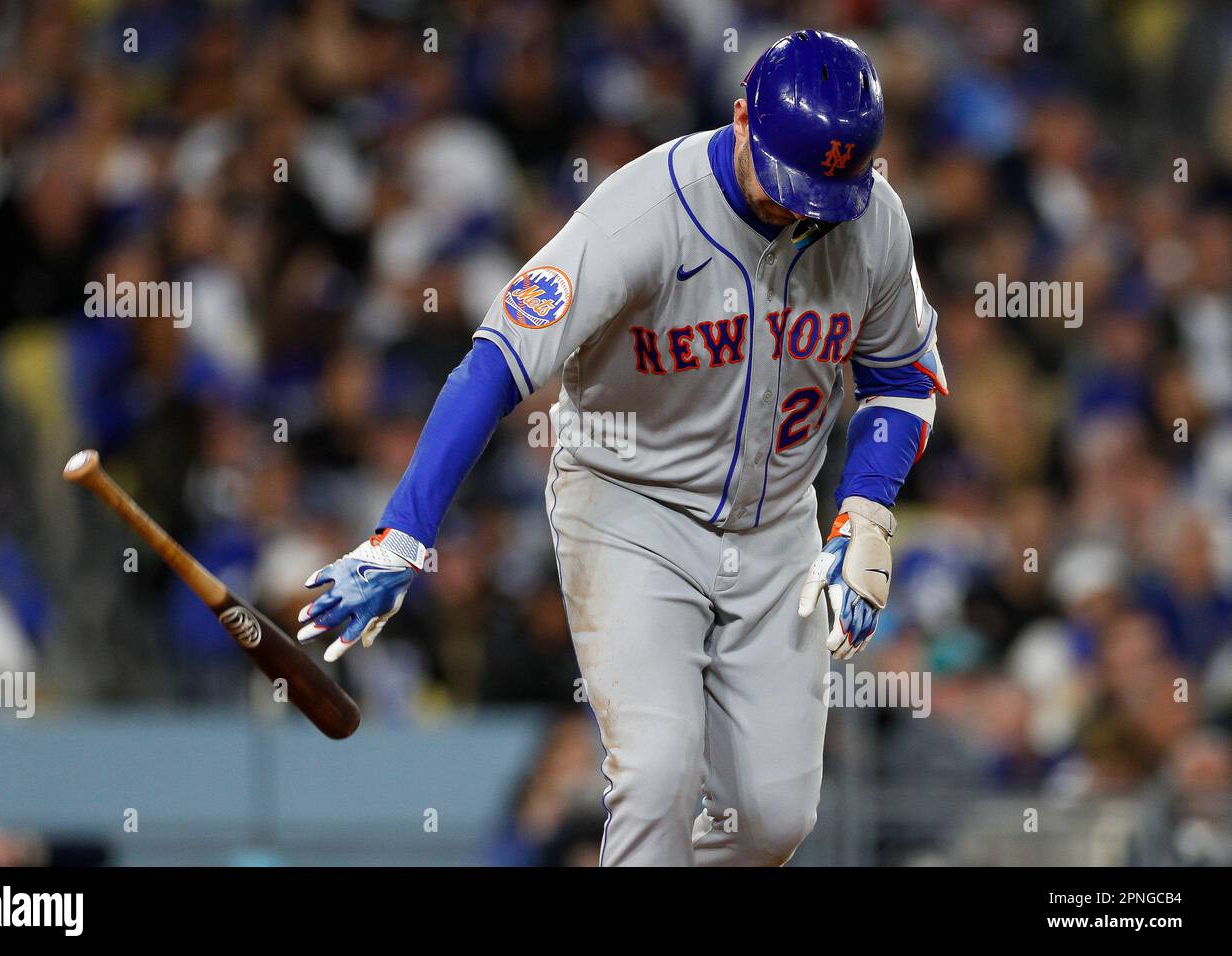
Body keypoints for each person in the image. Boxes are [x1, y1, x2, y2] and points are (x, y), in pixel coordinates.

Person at [297, 30, 946, 866]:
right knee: (657, 776)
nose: (805, 208)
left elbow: (902, 378)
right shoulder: (641, 213)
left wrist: (867, 510)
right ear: (742, 117)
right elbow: (496, 360)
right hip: (629, 507)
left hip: (777, 521)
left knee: (774, 820)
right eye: (793, 184)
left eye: (829, 190)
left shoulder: (872, 222)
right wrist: (404, 530)